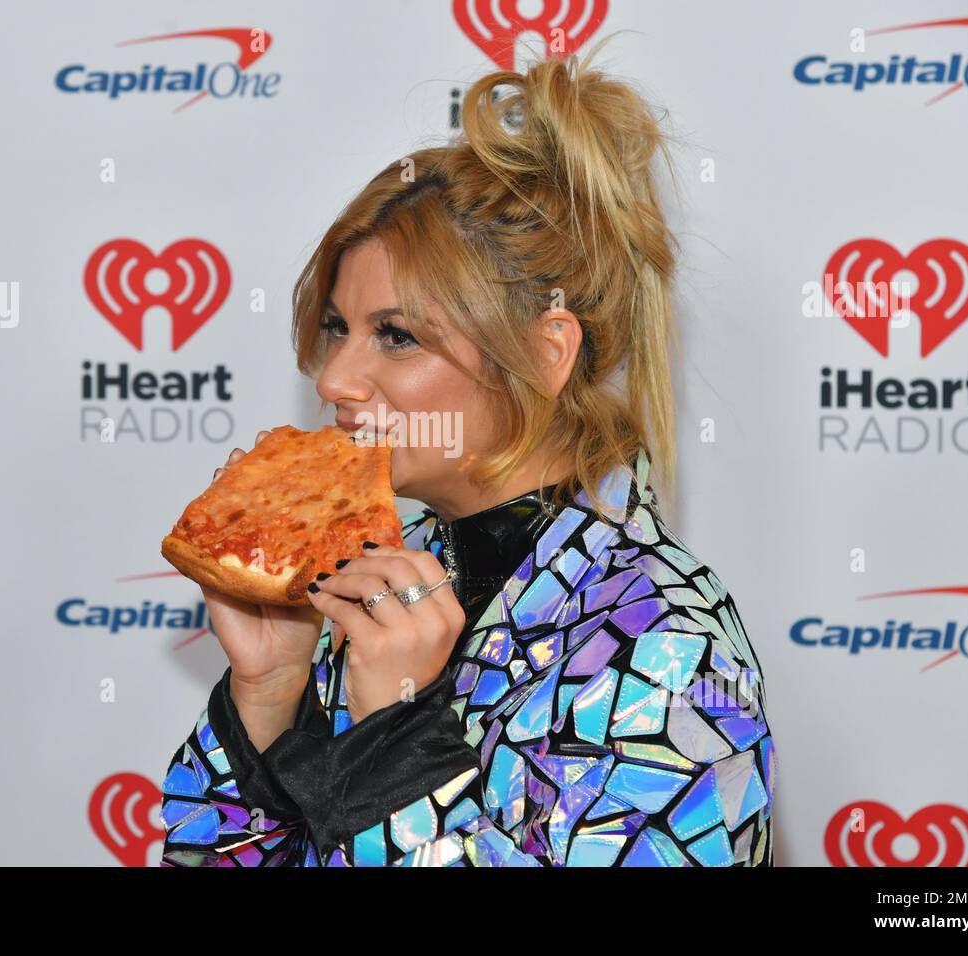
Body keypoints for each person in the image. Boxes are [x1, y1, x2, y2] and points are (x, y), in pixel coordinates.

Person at [159, 44, 776, 867]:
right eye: (338, 328)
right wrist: (272, 697)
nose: (334, 376)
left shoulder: (664, 646)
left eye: (398, 335)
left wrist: (394, 744)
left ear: (548, 353)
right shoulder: (387, 589)